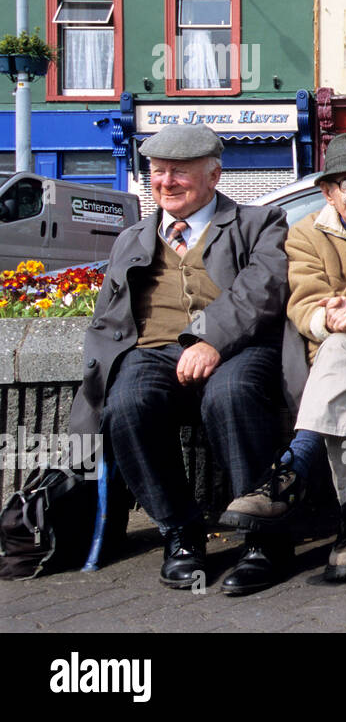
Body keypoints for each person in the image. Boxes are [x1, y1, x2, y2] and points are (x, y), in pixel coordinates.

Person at [68, 124, 288, 594]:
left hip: (238, 347)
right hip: (154, 350)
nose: (166, 182)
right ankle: (182, 533)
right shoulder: (132, 236)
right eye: (158, 172)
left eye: (180, 173)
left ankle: (262, 539)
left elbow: (261, 292)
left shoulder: (259, 222)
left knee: (233, 394)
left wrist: (208, 339)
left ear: (213, 176)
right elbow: (109, 316)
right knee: (127, 406)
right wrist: (101, 371)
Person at [220, 133, 346, 586]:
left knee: (342, 355)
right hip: (336, 367)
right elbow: (302, 302)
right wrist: (330, 317)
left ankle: (291, 469)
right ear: (328, 192)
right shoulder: (306, 233)